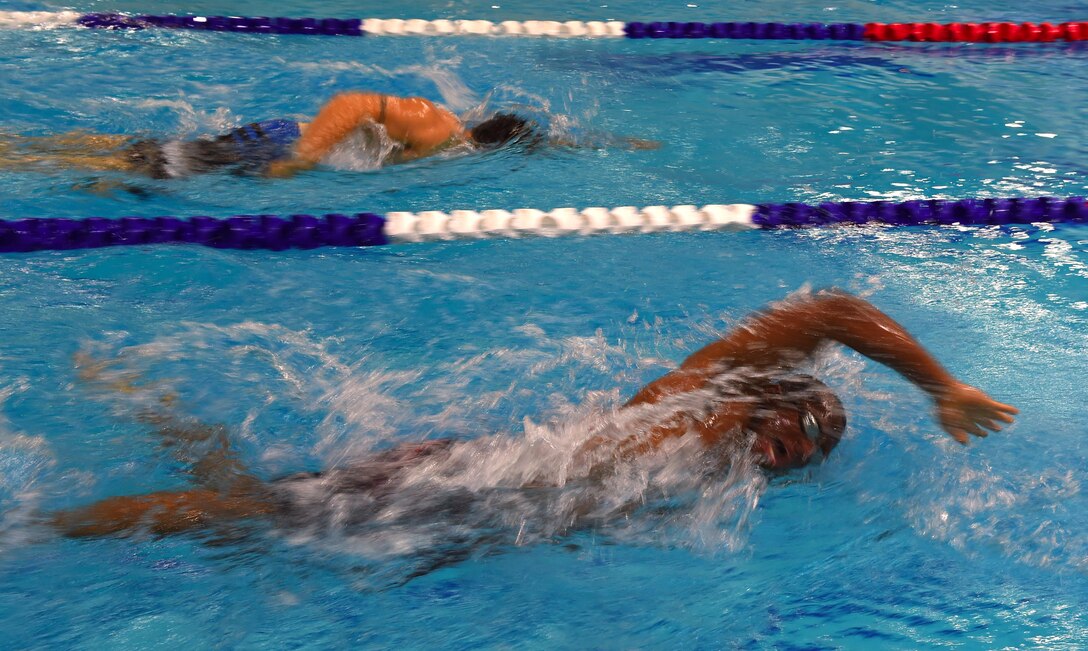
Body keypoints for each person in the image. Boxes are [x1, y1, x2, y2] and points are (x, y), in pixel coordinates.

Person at [52, 289, 1017, 538]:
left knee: (254, 513)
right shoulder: (698, 399)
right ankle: (41, 523)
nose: (789, 456)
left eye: (807, 458)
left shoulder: (715, 476)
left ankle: (159, 416)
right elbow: (834, 314)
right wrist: (943, 389)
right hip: (467, 483)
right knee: (247, 519)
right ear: (780, 399)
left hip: (479, 505)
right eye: (805, 433)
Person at [0, 93, 544, 180]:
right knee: (143, 169)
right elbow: (353, 103)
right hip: (278, 142)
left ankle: (23, 148)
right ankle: (19, 160)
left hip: (272, 142)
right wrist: (302, 159)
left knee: (145, 159)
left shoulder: (453, 141)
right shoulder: (438, 127)